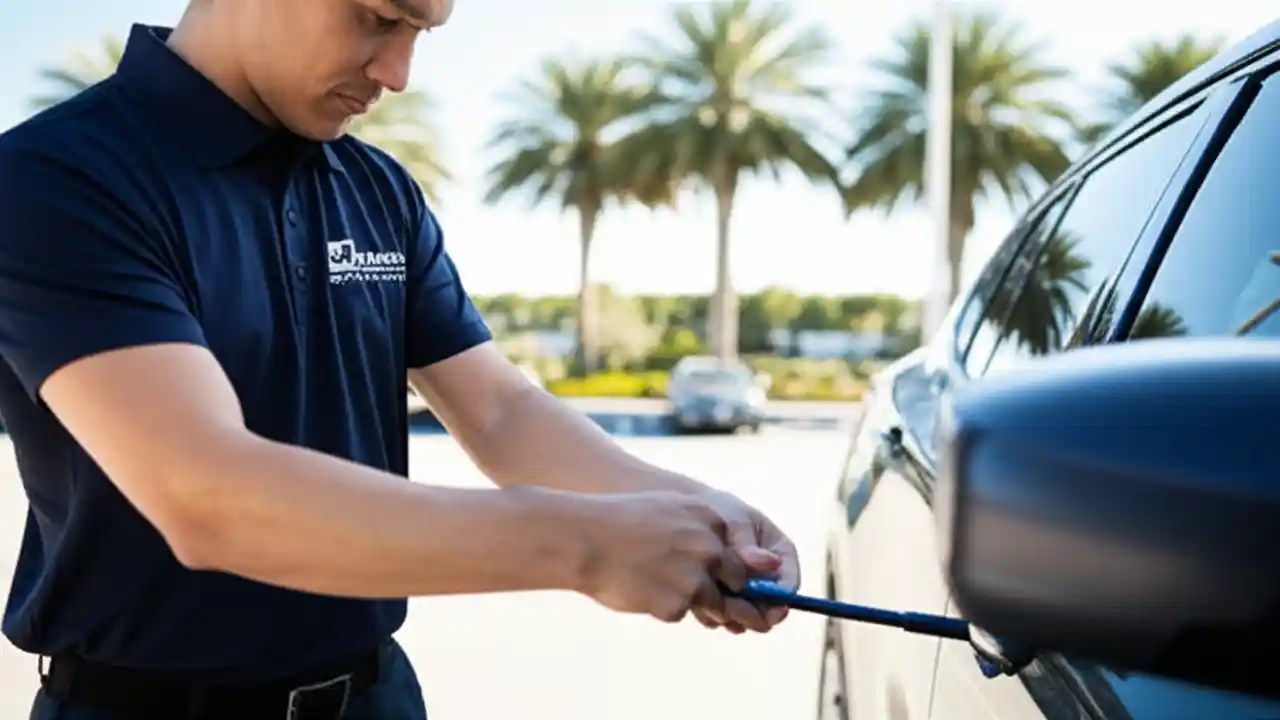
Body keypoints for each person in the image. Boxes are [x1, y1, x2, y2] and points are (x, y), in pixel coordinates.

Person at [0, 0, 799, 718]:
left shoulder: (378, 188)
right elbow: (206, 495)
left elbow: (500, 410)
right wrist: (583, 546)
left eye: (422, 32)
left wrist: (701, 512)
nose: (399, 73)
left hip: (378, 697)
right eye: (380, 19)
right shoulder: (56, 179)